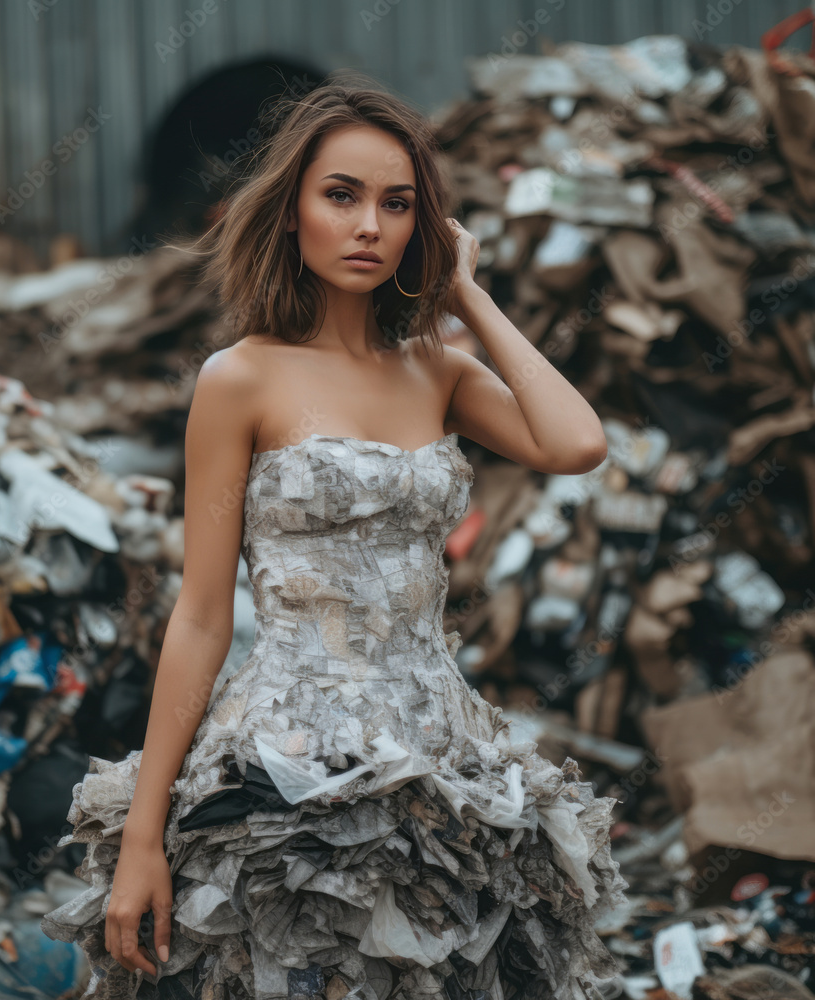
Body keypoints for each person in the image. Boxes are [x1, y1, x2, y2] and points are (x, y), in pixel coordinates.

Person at [42, 79, 628, 1000]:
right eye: (341, 195)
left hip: (442, 763)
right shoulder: (239, 380)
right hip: (288, 764)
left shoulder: (438, 369)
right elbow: (199, 617)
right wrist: (144, 838)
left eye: (398, 205)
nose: (369, 226)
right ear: (290, 214)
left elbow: (576, 442)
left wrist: (467, 294)